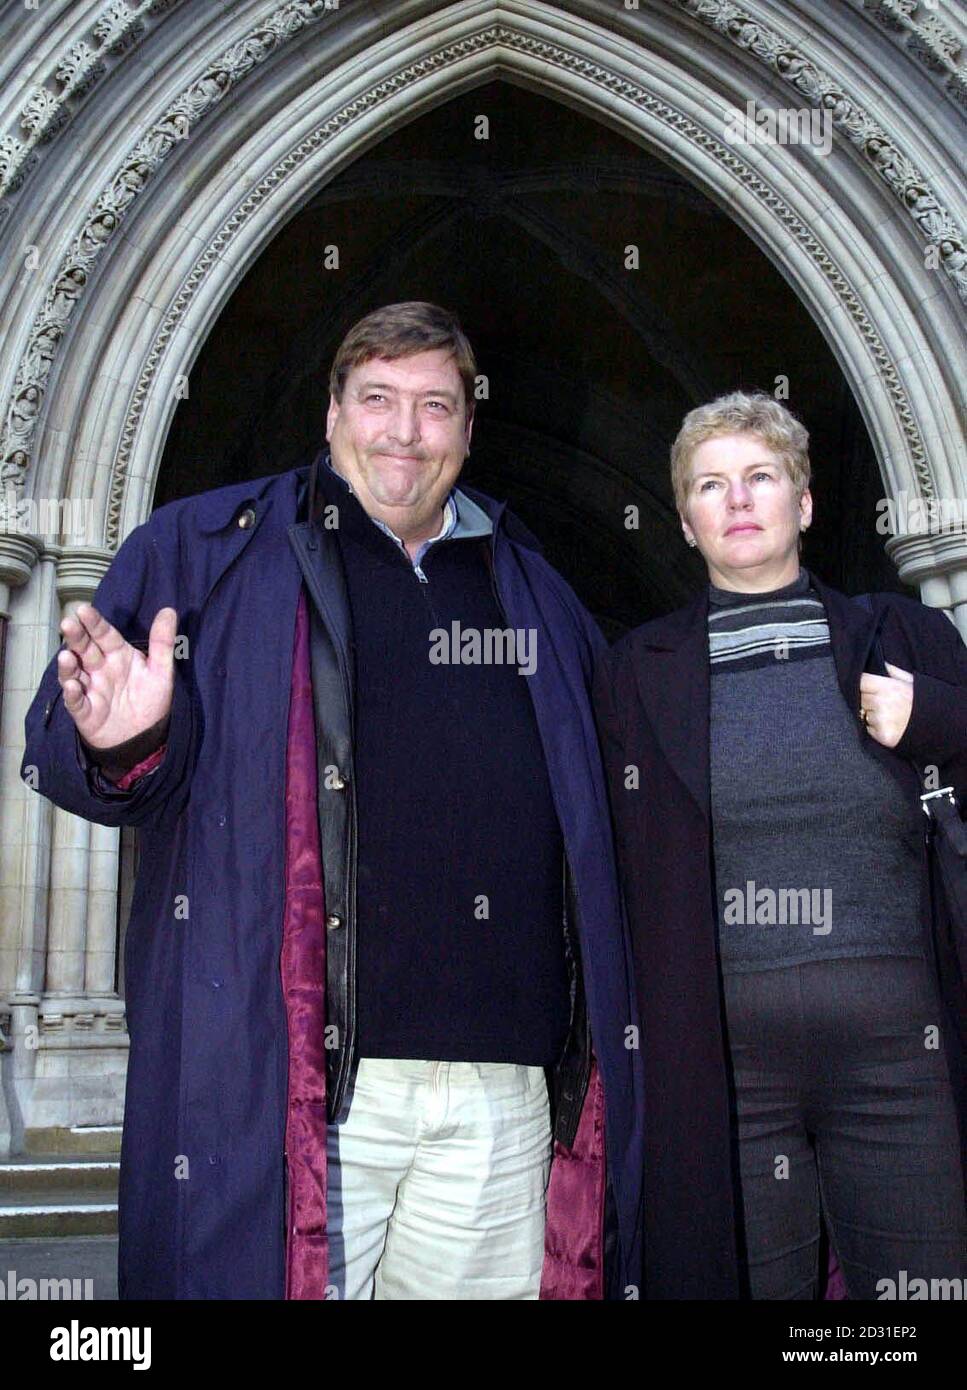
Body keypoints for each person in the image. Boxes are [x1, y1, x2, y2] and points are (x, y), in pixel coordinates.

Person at [22, 301, 643, 1300]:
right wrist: (126, 735)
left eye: (434, 405)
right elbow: (77, 758)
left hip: (503, 1091)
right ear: (332, 413)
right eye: (379, 400)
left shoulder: (536, 590)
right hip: (304, 1096)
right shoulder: (206, 554)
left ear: (467, 427)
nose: (404, 431)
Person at [593, 391, 967, 1299]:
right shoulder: (634, 672)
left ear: (802, 503)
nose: (737, 500)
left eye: (760, 477)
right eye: (710, 486)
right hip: (720, 1058)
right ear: (684, 522)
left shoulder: (897, 634)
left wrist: (939, 719)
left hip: (900, 1045)